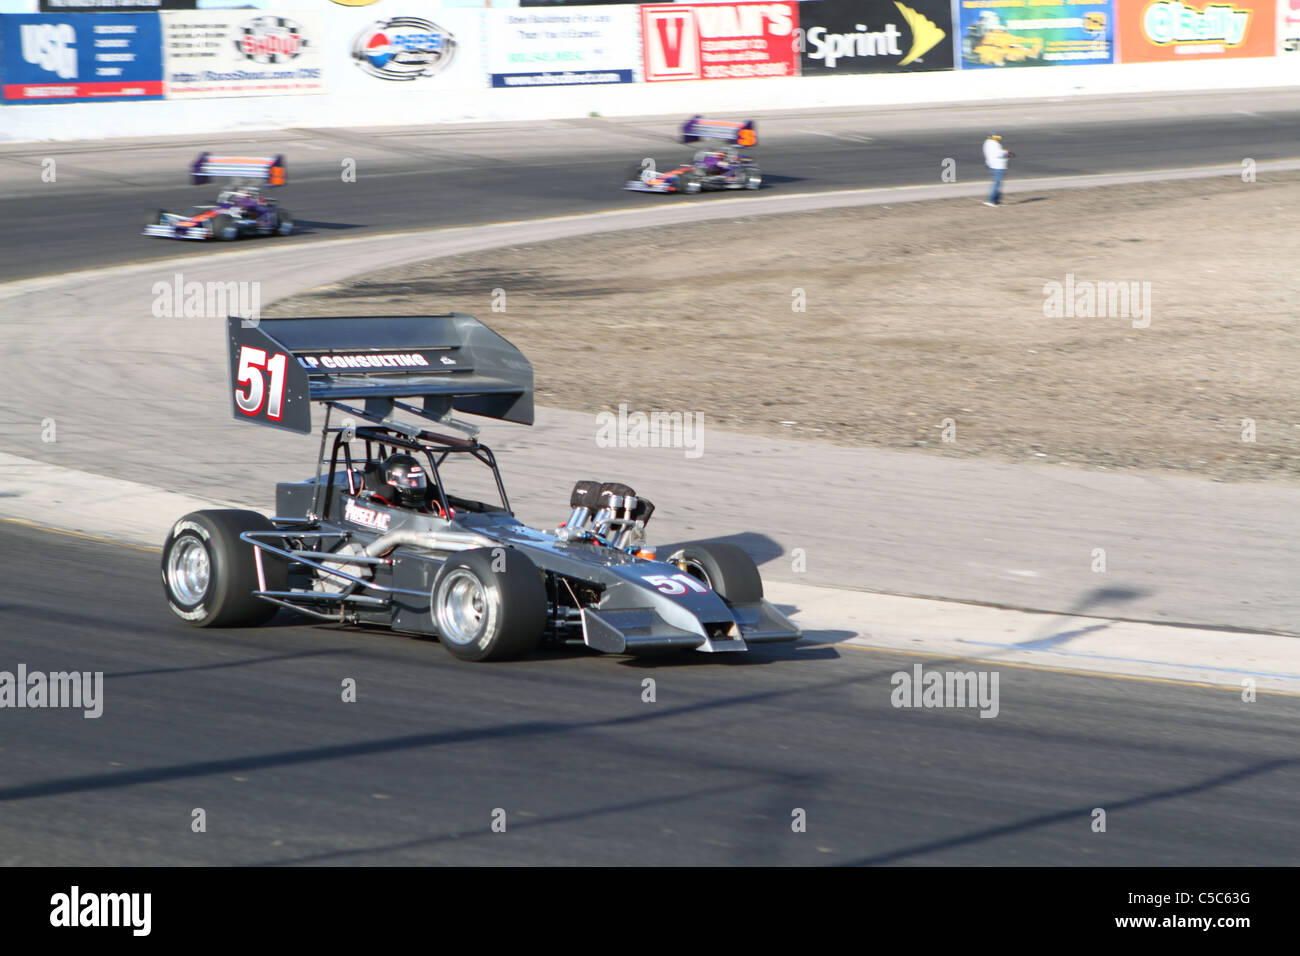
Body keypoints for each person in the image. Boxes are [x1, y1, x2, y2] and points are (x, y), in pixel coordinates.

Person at [983, 133, 1014, 207]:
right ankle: (991, 201)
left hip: (993, 165)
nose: (998, 139)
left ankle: (996, 201)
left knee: (998, 183)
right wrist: (1007, 153)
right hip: (998, 166)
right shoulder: (993, 144)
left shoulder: (988, 143)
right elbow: (999, 153)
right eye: (997, 137)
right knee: (997, 184)